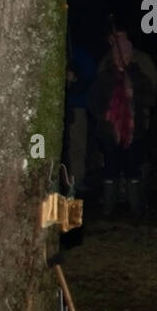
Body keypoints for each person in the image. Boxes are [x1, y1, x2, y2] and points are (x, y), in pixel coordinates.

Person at [90, 25, 157, 219]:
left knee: (132, 169)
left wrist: (133, 95)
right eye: (119, 55)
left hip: (133, 132)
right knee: (110, 168)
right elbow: (94, 104)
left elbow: (150, 99)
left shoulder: (139, 77)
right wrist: (106, 118)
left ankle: (136, 209)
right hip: (110, 132)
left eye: (126, 55)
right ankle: (108, 210)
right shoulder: (104, 77)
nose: (122, 58)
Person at [64, 40, 96, 195]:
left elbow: (90, 77)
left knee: (77, 145)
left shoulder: (78, 54)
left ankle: (76, 180)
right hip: (59, 105)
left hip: (77, 106)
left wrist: (75, 79)